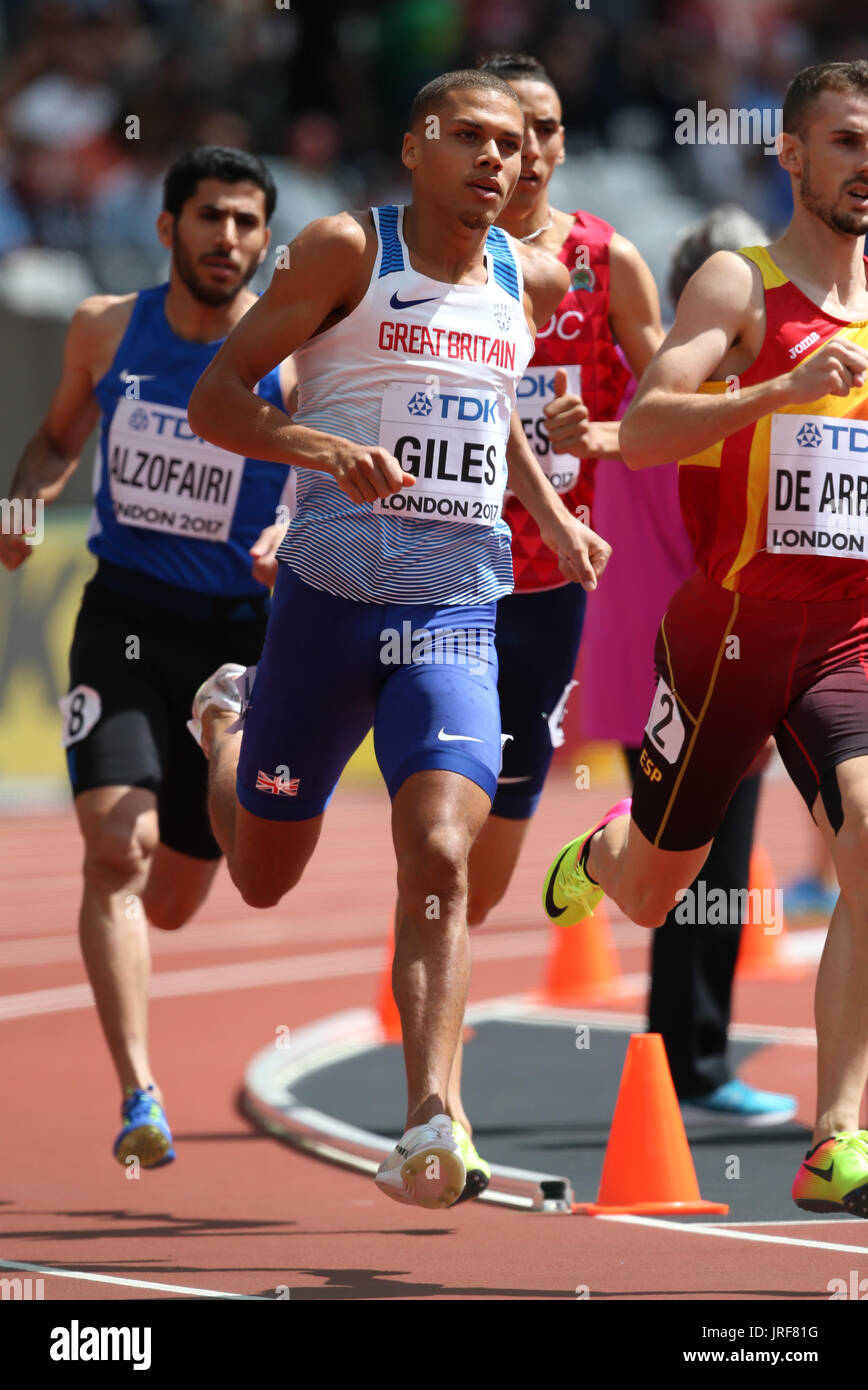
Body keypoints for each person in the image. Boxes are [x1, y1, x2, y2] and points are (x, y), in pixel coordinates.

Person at [186, 69, 611, 1210]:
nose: (497, 159)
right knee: (262, 873)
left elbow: (491, 412)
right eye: (469, 136)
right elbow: (216, 403)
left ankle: (432, 1116)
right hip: (324, 606)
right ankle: (224, 721)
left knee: (438, 847)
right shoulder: (343, 252)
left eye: (516, 143)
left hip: (452, 611)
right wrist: (322, 452)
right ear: (418, 145)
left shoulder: (537, 276)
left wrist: (555, 513)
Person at [543, 60, 868, 1217]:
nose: (863, 163)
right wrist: (773, 390)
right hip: (726, 633)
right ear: (790, 155)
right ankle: (611, 851)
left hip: (846, 638)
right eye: (843, 141)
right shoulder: (741, 284)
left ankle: (839, 1134)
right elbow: (642, 427)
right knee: (652, 893)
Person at [0, 146, 295, 1170]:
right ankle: (140, 1092)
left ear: (266, 240)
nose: (228, 240)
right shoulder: (103, 327)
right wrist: (22, 496)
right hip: (124, 621)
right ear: (169, 226)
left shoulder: (287, 355)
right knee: (114, 855)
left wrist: (287, 532)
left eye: (248, 224)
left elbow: (332, 479)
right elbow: (50, 442)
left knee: (175, 896)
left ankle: (219, 758)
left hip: (235, 636)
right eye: (210, 217)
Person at [436, 52, 661, 1189]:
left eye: (546, 128)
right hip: (436, 574)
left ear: (559, 144)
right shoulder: (441, 256)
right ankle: (441, 1112)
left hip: (548, 594)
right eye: (508, 131)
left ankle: (436, 1080)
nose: (527, 150)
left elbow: (672, 408)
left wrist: (604, 433)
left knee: (479, 875)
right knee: (434, 847)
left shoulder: (601, 258)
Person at [582, 207, 797, 1125]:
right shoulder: (711, 406)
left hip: (644, 656)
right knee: (711, 873)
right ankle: (693, 1061)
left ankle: (685, 1052)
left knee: (690, 870)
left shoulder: (642, 390)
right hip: (703, 662)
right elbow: (716, 550)